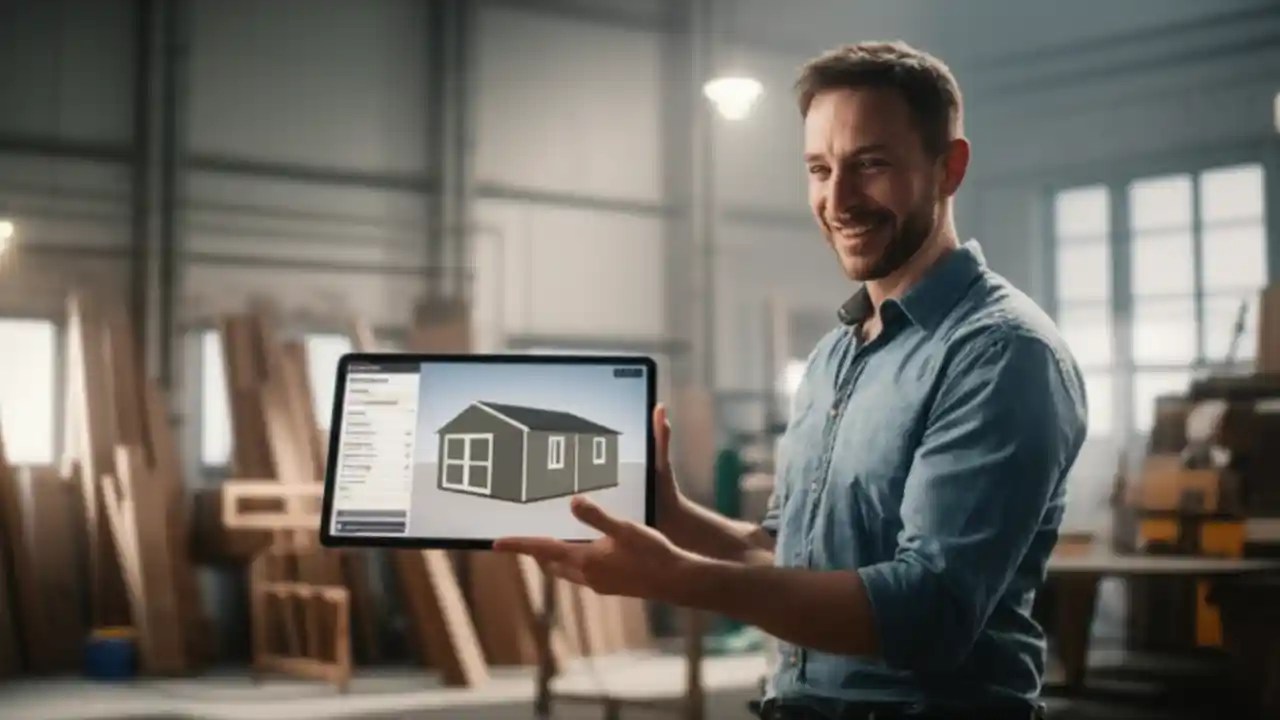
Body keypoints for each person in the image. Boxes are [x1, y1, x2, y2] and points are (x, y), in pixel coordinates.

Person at [496, 40, 1087, 720]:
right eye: (818, 168)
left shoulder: (1001, 354)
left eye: (870, 165)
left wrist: (683, 580)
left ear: (948, 167)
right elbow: (785, 557)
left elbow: (928, 612)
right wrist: (668, 514)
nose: (838, 199)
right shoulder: (837, 353)